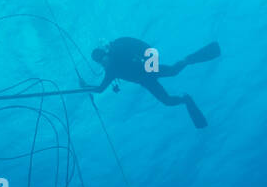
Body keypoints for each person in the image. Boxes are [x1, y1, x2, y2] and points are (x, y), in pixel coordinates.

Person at [89, 37, 220, 128]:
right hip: (146, 82)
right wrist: (85, 86)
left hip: (149, 69)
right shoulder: (111, 72)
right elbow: (100, 89)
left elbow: (141, 48)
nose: (103, 63)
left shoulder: (118, 51)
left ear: (106, 53)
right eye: (100, 62)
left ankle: (188, 59)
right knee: (167, 101)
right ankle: (185, 99)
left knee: (174, 71)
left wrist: (149, 60)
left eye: (102, 59)